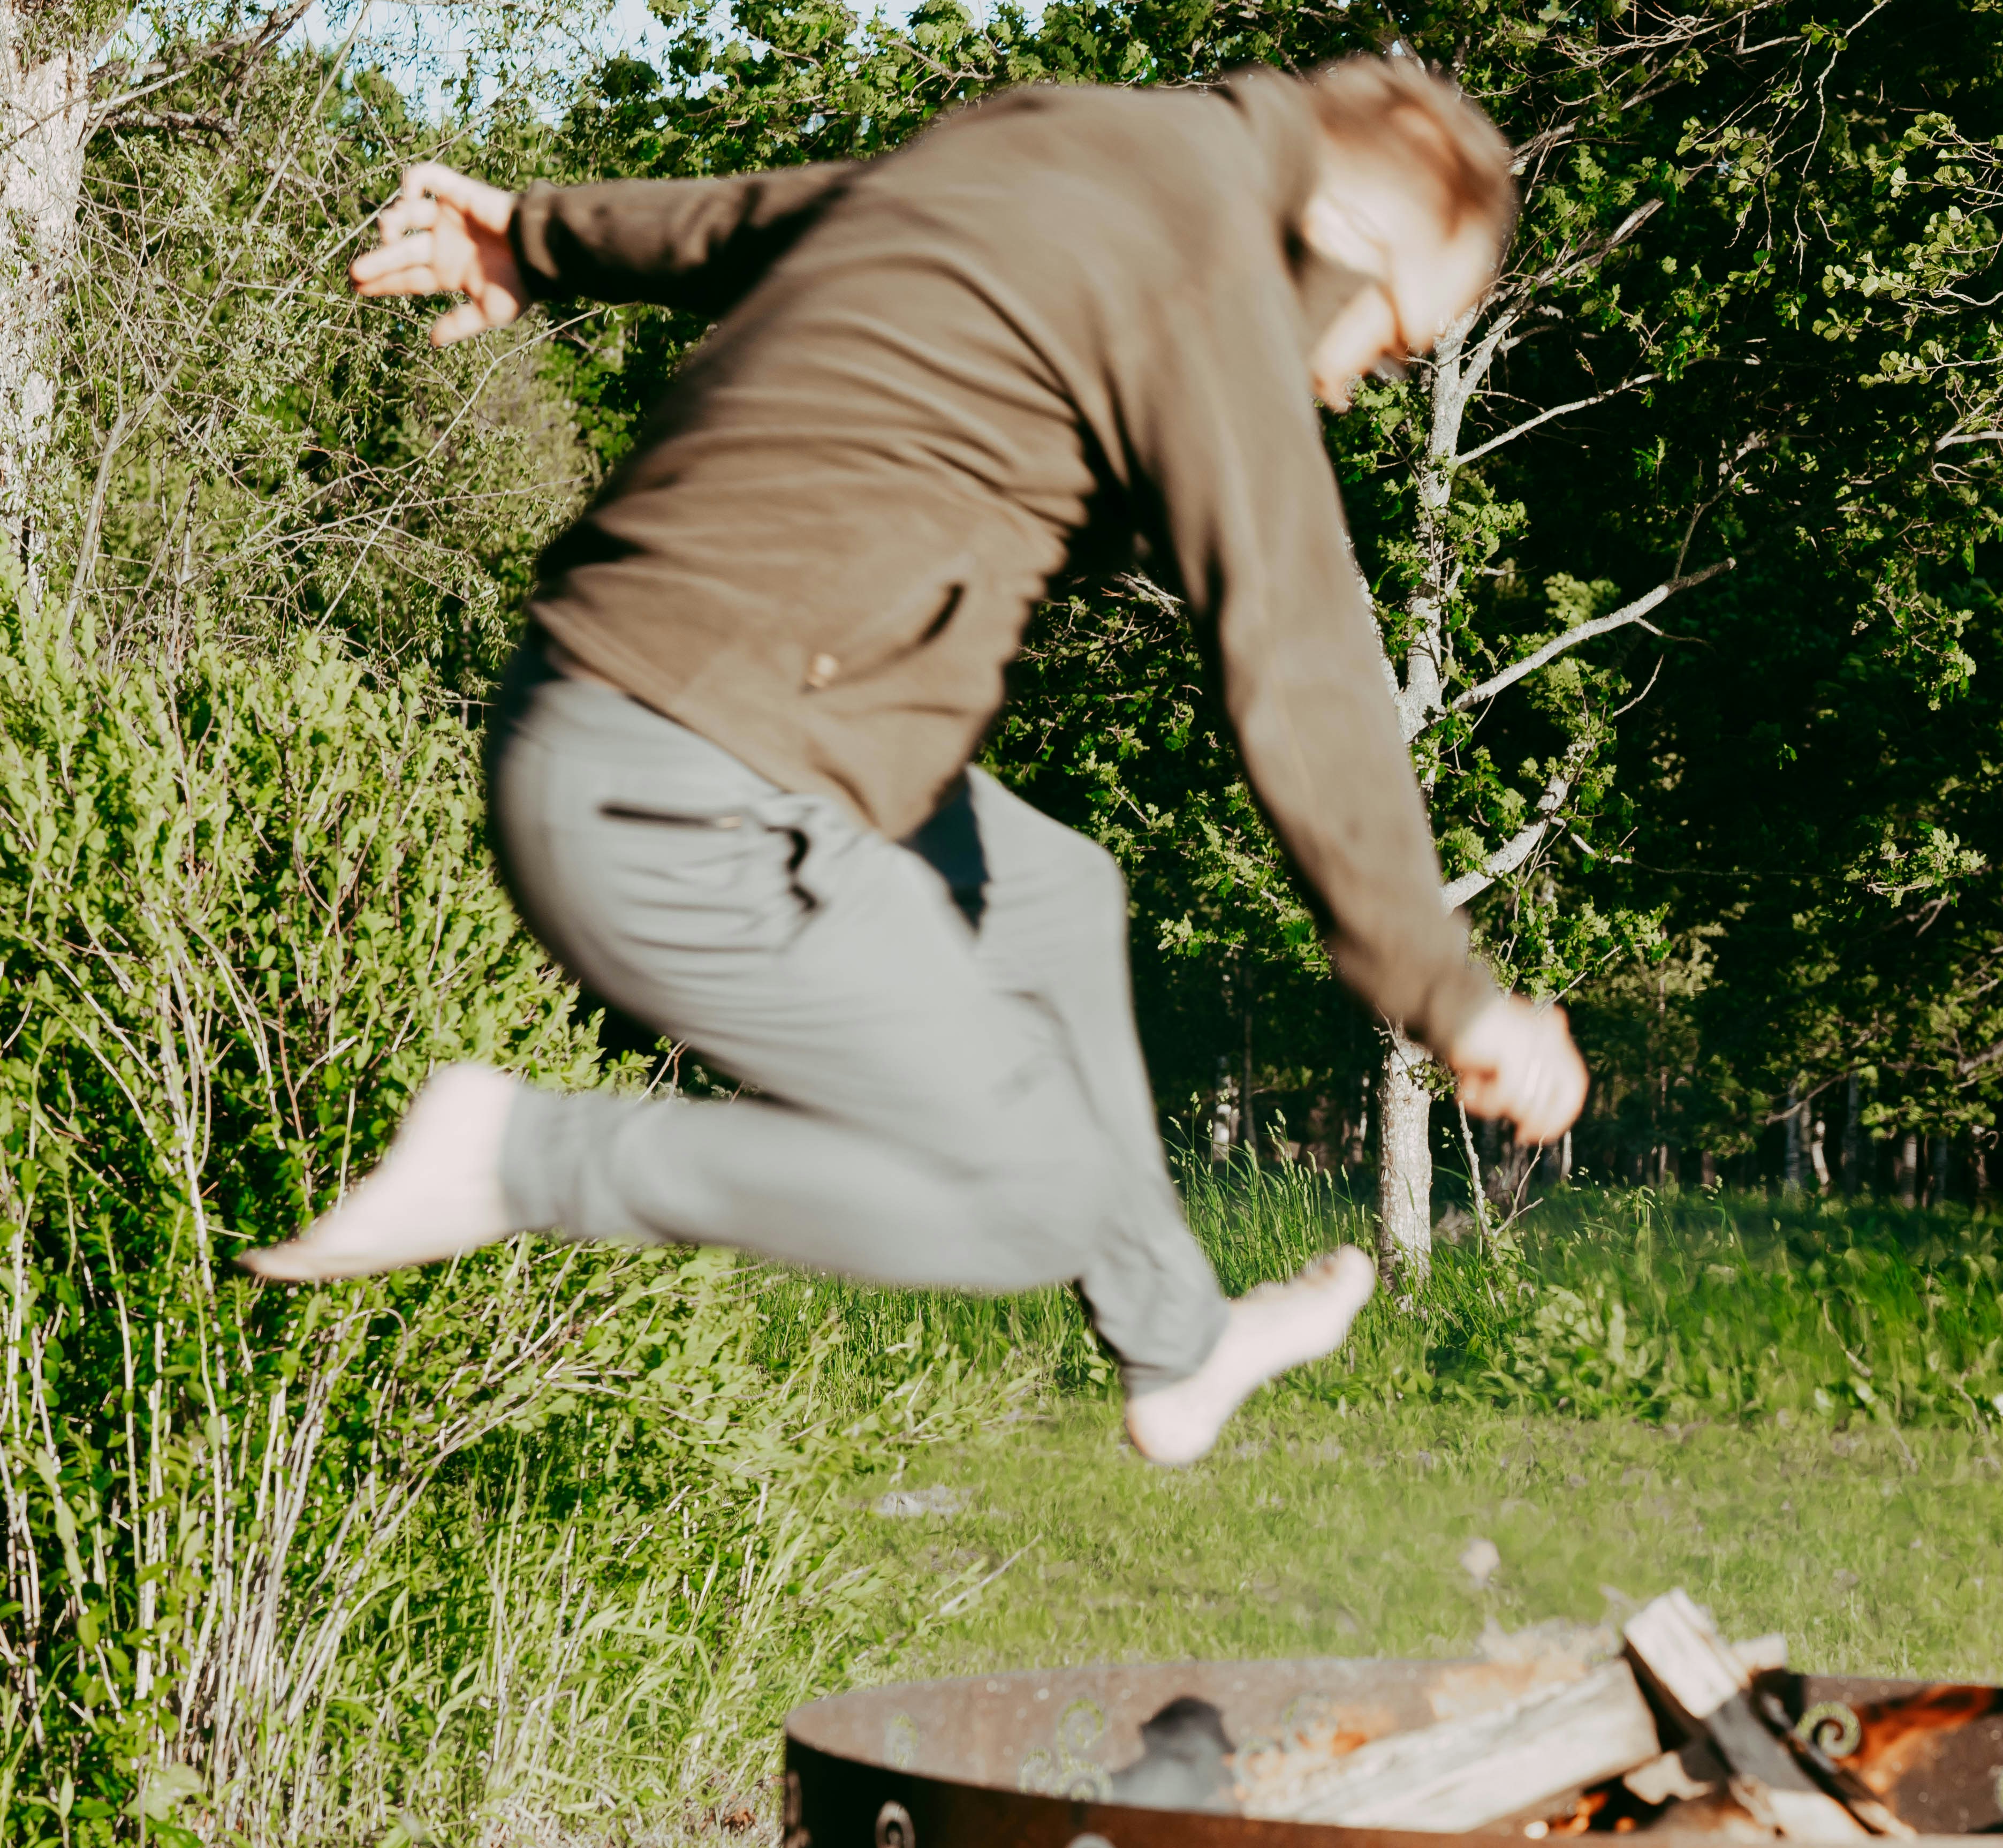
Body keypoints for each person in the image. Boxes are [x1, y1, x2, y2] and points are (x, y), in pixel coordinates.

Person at [246, 56, 1588, 1465]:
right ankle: (515, 1158)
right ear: (1346, 241)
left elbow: (779, 217)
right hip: (682, 799)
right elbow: (1300, 652)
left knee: (1052, 898)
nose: (1352, 384)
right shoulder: (1212, 270)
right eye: (1383, 348)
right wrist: (1453, 998)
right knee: (1029, 1201)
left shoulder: (1076, 141)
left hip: (637, 720)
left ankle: (1176, 1348)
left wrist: (538, 234)